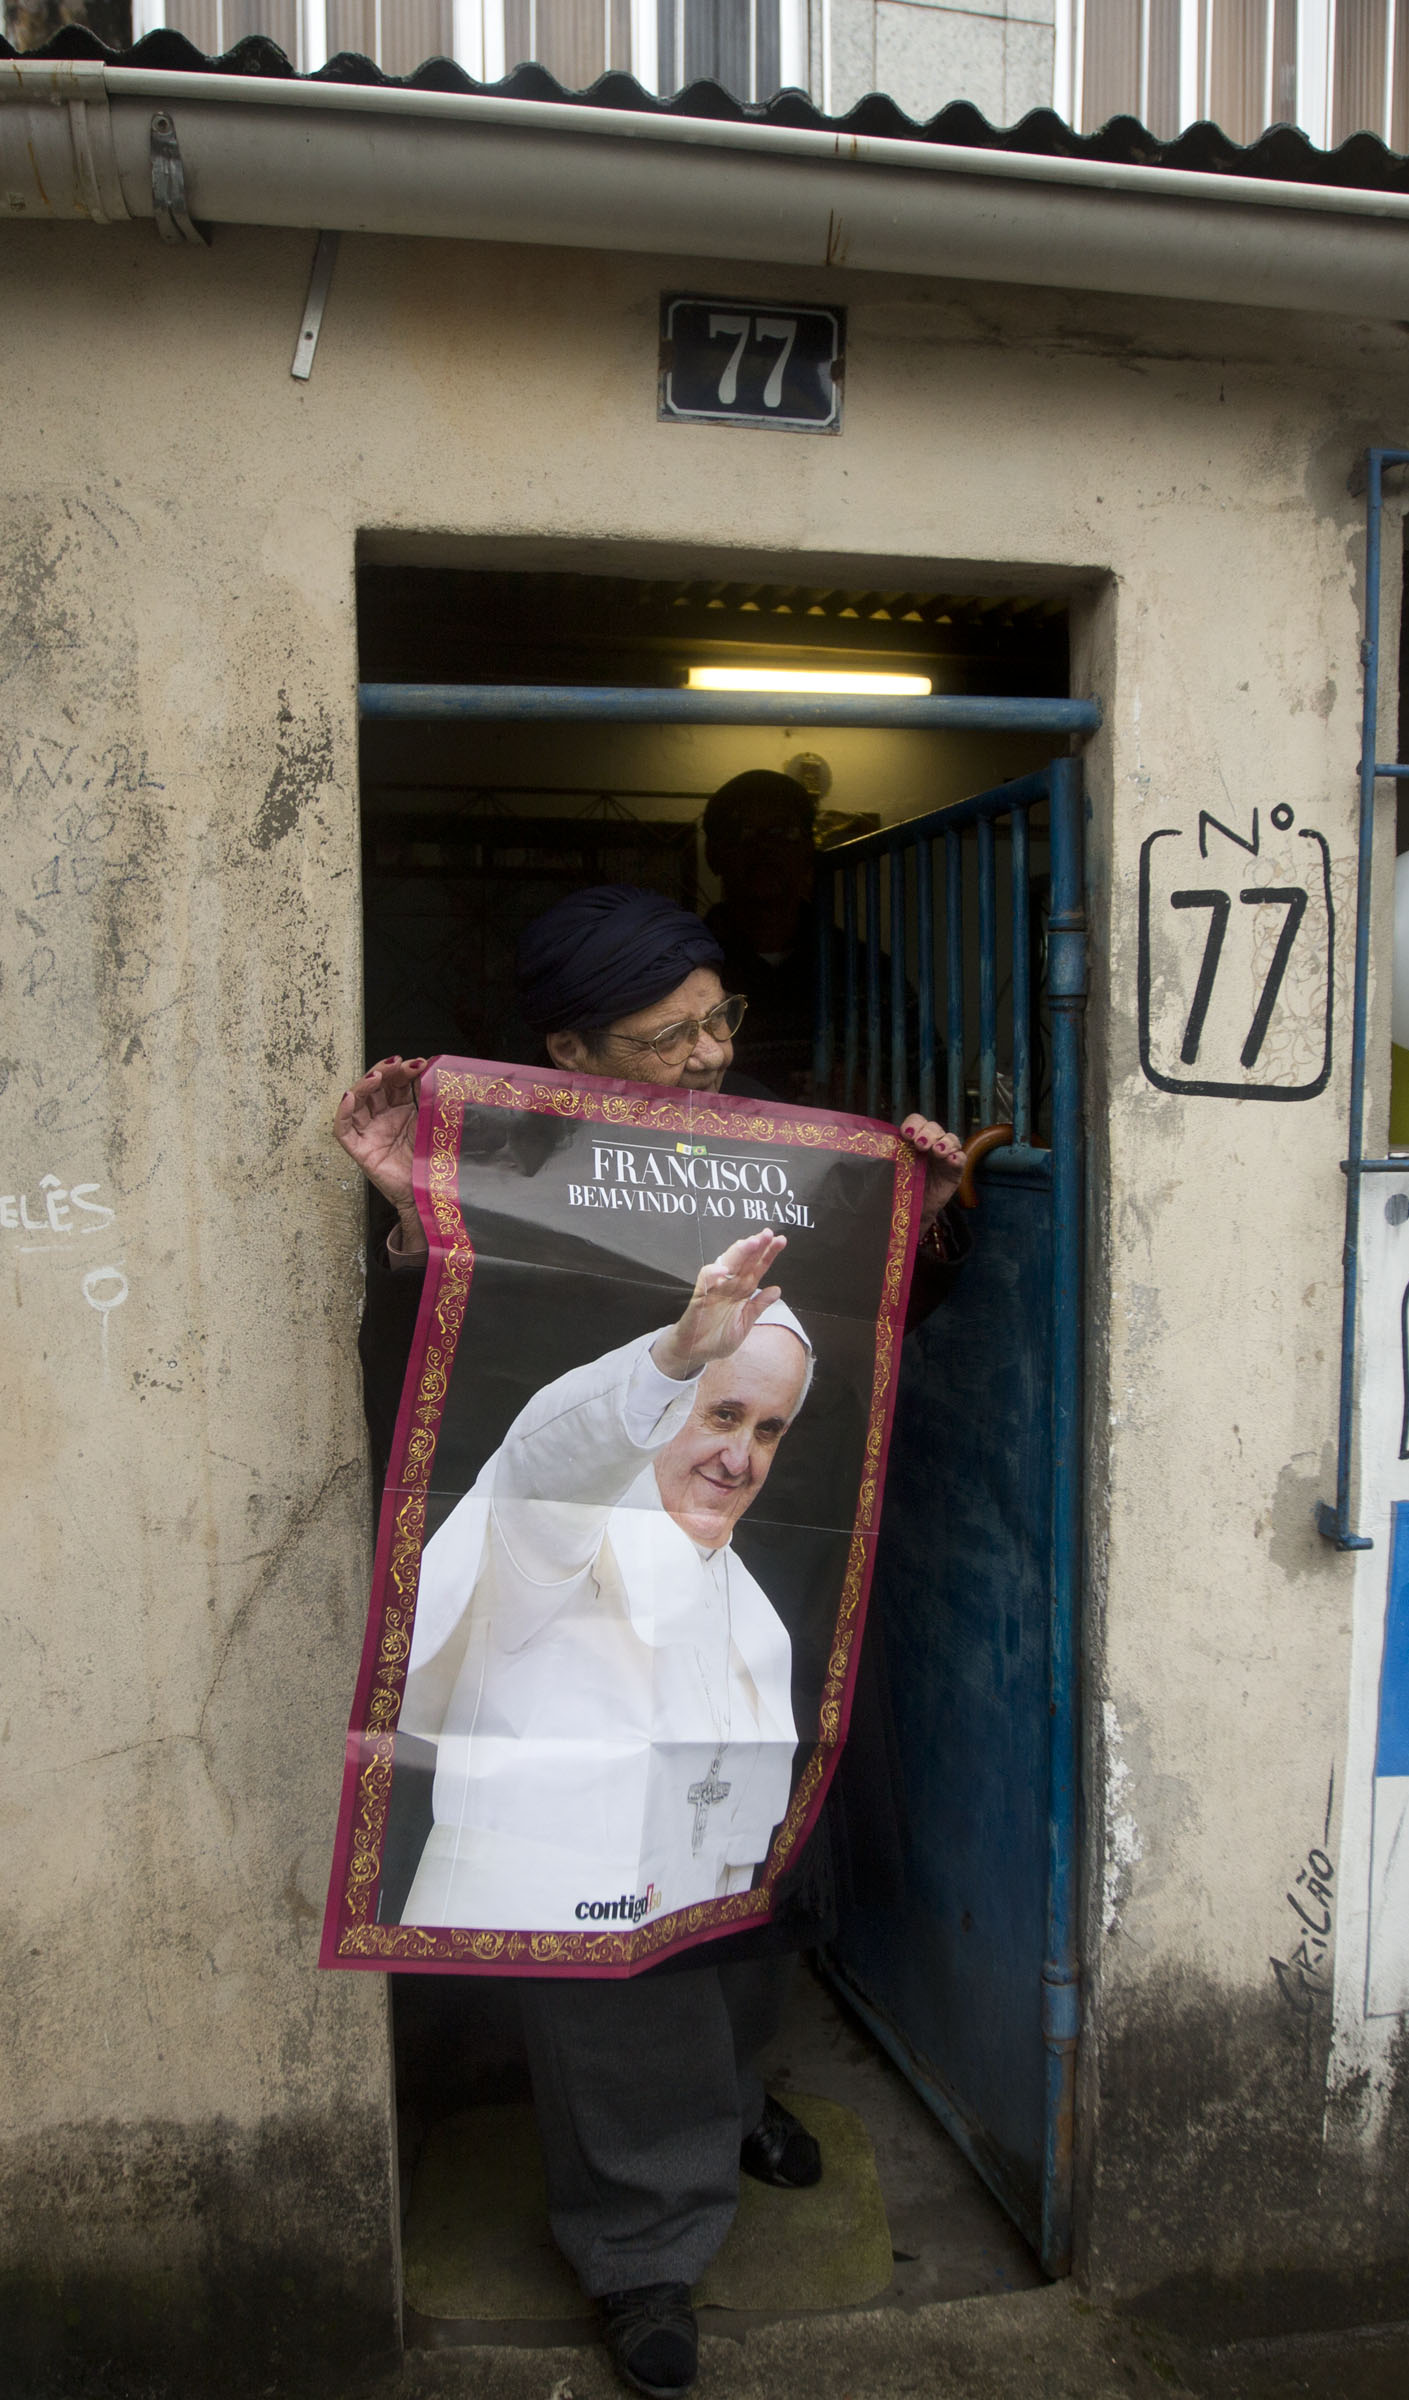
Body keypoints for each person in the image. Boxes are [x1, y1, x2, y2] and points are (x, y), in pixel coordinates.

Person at [333, 883, 965, 2399]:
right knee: (606, 1919)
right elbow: (482, 1411)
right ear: (569, 1045)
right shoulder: (508, 1172)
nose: (707, 1056)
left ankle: (726, 2105)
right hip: (566, 1586)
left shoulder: (774, 1166)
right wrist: (415, 1197)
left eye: (719, 1022)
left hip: (750, 1595)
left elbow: (869, 1338)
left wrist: (913, 1223)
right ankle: (643, 2252)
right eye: (665, 1035)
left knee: (751, 1871)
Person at [396, 1231, 813, 1932]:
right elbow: (547, 1459)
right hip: (528, 1947)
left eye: (768, 1431)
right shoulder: (559, 1535)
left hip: (672, 1947)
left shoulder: (755, 1611)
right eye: (722, 1414)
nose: (739, 1459)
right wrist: (676, 1359)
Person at [699, 770, 824, 1100]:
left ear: (808, 849)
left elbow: (935, 1096)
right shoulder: (681, 970)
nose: (763, 846)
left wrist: (876, 1093)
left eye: (783, 830)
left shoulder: (868, 973)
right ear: (712, 854)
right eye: (741, 831)